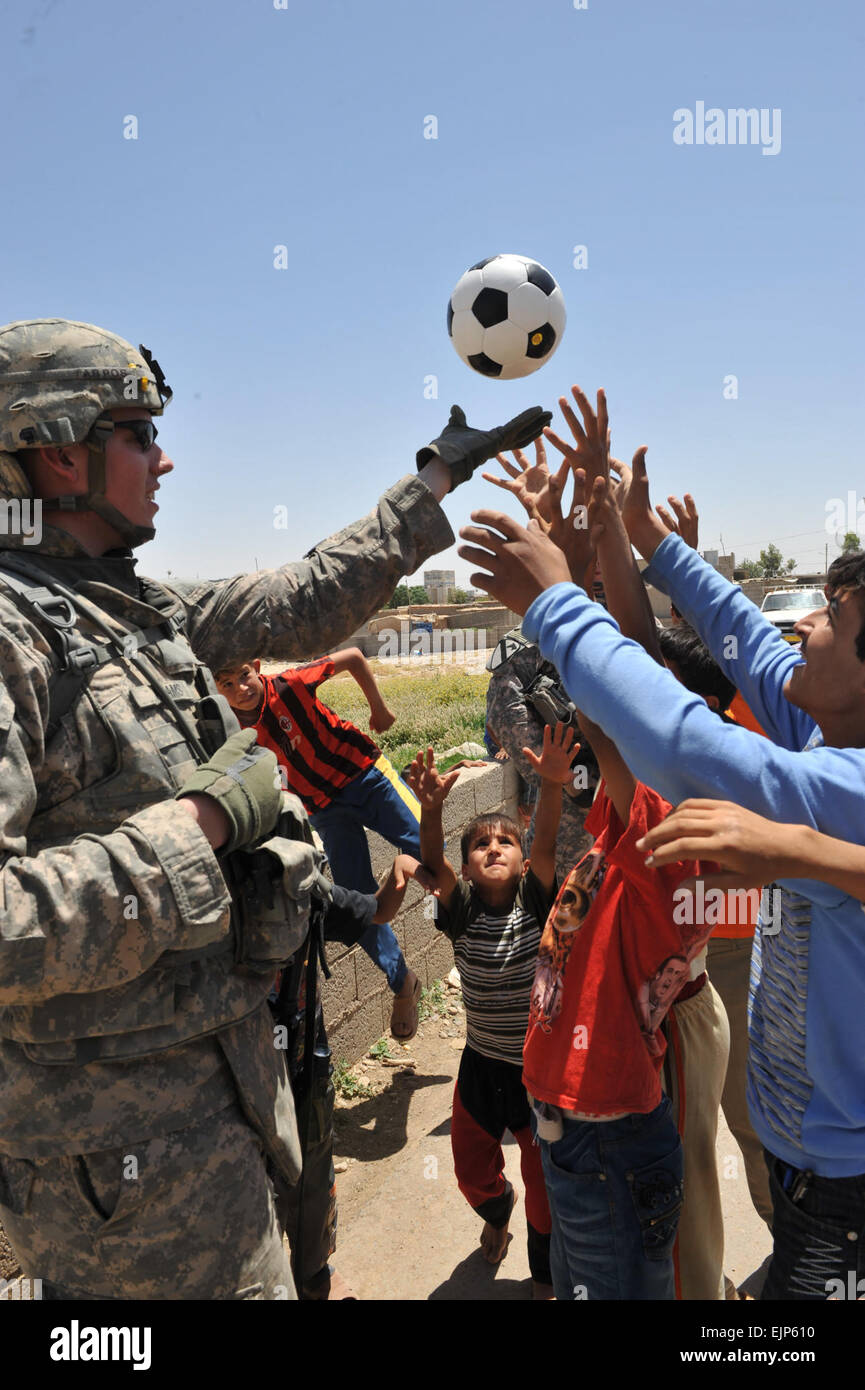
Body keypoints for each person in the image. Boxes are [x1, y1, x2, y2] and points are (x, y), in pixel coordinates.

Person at [0, 315, 550, 1300]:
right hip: (119, 1172)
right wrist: (203, 823)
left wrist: (433, 478)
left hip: (229, 1092)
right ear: (51, 450)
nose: (163, 459)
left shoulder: (130, 608)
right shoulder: (13, 635)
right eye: (135, 433)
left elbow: (302, 596)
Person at [458, 381, 865, 1303]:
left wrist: (559, 602)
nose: (799, 625)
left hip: (843, 1183)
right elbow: (740, 647)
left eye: (833, 622)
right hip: (812, 1162)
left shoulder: (845, 786)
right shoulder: (829, 735)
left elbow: (676, 737)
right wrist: (646, 539)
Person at [406, 726, 577, 1299]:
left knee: (544, 1184)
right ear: (470, 868)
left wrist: (550, 784)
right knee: (470, 1169)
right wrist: (433, 810)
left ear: (523, 862)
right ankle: (496, 1210)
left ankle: (547, 1276)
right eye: (481, 845)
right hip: (480, 1065)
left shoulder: (536, 900)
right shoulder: (460, 912)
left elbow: (548, 842)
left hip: (534, 1072)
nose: (494, 848)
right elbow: (432, 863)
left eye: (506, 841)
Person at [214, 649, 423, 1039]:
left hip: (366, 777)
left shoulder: (291, 685)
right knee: (362, 908)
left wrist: (378, 709)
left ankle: (486, 949)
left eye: (244, 675)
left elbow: (355, 657)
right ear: (216, 690)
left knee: (427, 848)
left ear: (257, 668)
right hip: (325, 812)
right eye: (227, 684)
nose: (241, 688)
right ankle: (402, 982)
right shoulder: (232, 736)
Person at [272, 853, 423, 1300]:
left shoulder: (299, 887)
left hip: (302, 1058)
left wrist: (398, 874)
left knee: (313, 1156)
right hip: (233, 1067)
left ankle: (315, 1271)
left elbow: (375, 911)